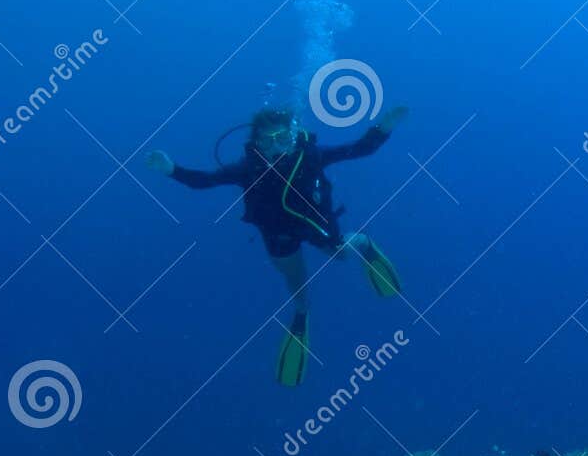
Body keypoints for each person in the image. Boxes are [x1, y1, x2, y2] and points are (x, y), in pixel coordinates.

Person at [146, 104, 407, 385]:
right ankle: (301, 314)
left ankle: (363, 243)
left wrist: (384, 127)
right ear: (256, 142)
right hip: (277, 233)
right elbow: (205, 181)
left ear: (294, 136)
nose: (276, 148)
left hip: (315, 223)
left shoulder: (312, 157)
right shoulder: (248, 169)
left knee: (341, 254)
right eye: (267, 141)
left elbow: (360, 149)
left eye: (282, 138)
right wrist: (170, 169)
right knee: (295, 279)